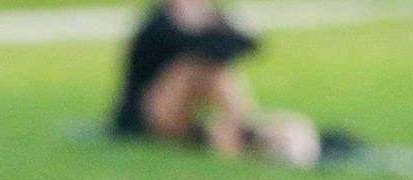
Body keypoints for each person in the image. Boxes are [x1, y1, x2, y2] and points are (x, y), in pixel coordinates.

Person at [110, 0, 319, 167]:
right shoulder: (158, 24)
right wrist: (206, 28)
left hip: (187, 116)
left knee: (215, 69)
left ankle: (242, 127)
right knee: (198, 66)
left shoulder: (210, 19)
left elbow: (248, 45)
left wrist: (214, 24)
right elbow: (203, 49)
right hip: (148, 117)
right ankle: (244, 128)